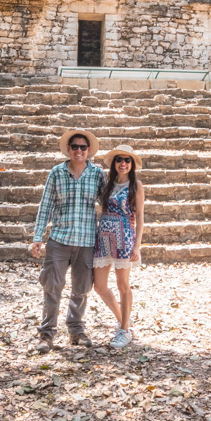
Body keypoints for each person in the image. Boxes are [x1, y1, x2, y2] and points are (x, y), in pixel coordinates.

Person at [31, 128, 105, 353]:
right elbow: (46, 206)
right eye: (75, 147)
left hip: (86, 240)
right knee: (52, 286)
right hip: (59, 239)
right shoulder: (56, 172)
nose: (79, 151)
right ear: (69, 149)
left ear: (89, 150)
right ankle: (46, 334)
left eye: (83, 147)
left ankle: (76, 330)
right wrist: (37, 237)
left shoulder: (97, 174)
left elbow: (107, 203)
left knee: (81, 289)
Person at [93, 145, 144, 349]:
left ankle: (124, 331)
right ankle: (123, 317)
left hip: (124, 235)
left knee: (123, 285)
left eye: (127, 160)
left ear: (132, 164)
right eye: (119, 160)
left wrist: (137, 246)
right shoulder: (108, 184)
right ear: (114, 163)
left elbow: (140, 216)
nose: (123, 163)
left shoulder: (136, 185)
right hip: (104, 235)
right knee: (99, 286)